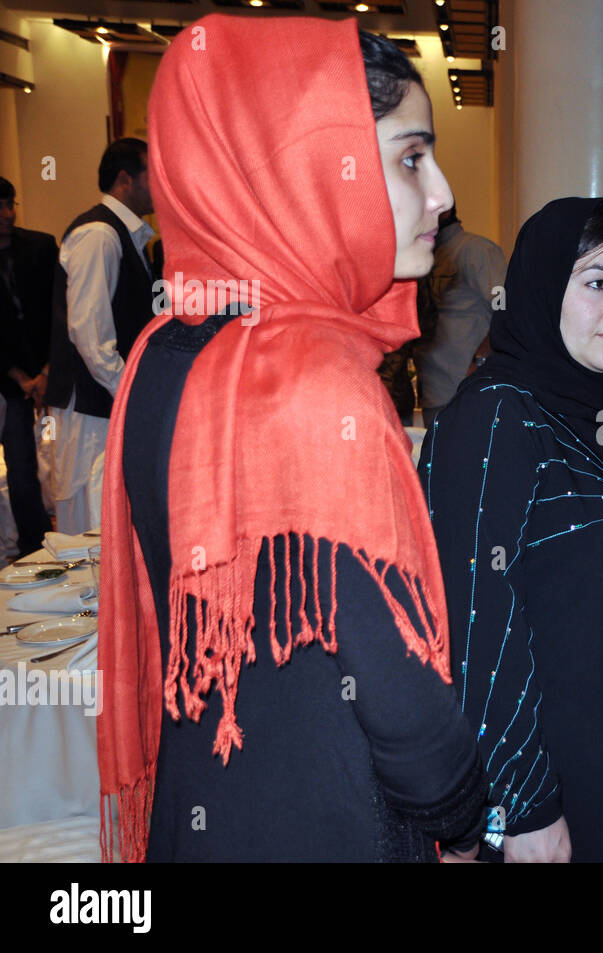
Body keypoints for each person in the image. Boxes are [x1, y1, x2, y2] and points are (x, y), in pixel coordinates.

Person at [97, 16, 485, 862]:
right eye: (412, 157)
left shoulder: (165, 346)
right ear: (313, 168)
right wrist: (464, 809)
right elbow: (400, 698)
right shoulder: (311, 378)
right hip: (331, 821)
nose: (444, 191)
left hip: (202, 808)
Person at [421, 195, 603, 863]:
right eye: (598, 282)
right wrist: (524, 807)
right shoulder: (495, 417)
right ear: (544, 285)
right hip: (561, 795)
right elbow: (468, 624)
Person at [45, 139, 157, 535]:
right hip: (91, 408)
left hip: (106, 400)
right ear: (125, 179)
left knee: (110, 522)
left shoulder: (127, 236)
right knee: (87, 529)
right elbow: (90, 335)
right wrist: (130, 391)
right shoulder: (99, 234)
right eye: (152, 173)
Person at [0, 177, 57, 555]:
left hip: (50, 372)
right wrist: (19, 377)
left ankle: (50, 546)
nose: (8, 214)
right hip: (7, 380)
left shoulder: (39, 246)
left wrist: (47, 371)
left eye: (11, 204)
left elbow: (60, 311)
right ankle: (29, 550)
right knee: (20, 470)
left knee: (53, 467)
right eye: (0, 207)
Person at [414, 206, 507, 420]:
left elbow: (508, 308)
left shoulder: (475, 250)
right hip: (433, 393)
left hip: (468, 391)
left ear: (443, 209)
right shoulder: (422, 255)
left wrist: (480, 361)